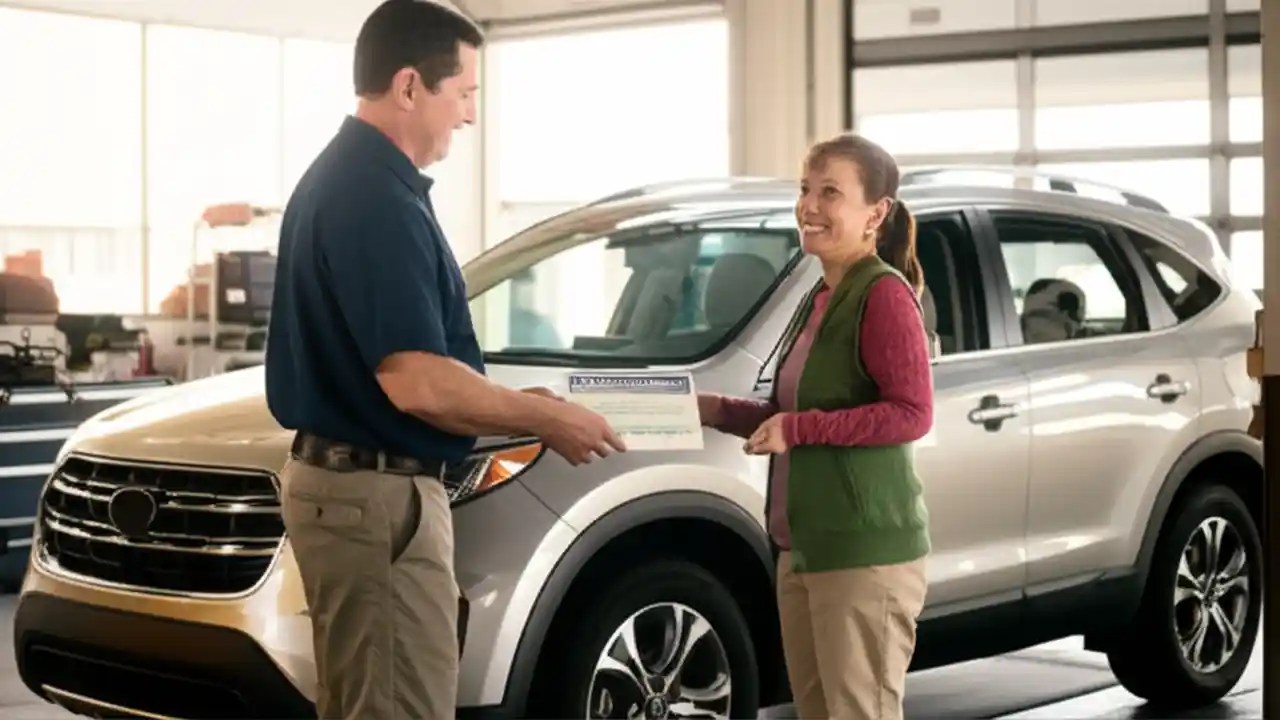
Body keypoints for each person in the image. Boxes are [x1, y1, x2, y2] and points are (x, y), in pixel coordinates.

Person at [263, 2, 625, 718]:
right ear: (407, 87)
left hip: (350, 492)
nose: (468, 117)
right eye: (463, 94)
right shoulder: (375, 200)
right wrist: (541, 421)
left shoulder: (346, 180)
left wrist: (525, 404)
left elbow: (415, 363)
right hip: (379, 498)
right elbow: (416, 381)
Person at [698, 132, 934, 720]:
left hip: (860, 554)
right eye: (805, 189)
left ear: (875, 212)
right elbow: (792, 413)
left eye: (830, 192)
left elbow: (912, 413)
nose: (808, 206)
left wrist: (799, 430)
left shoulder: (883, 295)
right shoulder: (821, 295)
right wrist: (715, 410)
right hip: (800, 548)